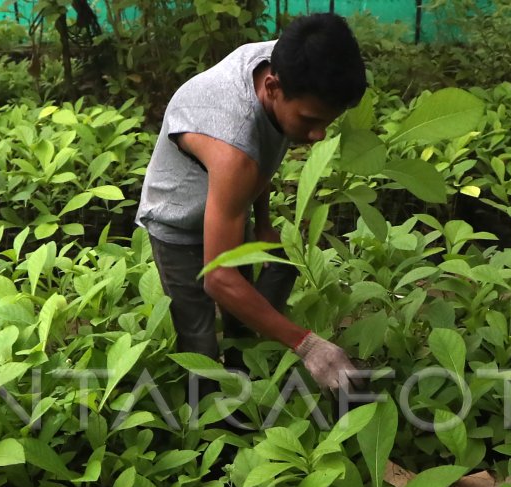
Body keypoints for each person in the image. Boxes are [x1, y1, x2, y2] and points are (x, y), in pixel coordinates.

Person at [136, 13, 366, 395]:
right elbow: (218, 277)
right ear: (272, 87)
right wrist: (308, 346)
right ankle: (210, 425)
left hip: (229, 204)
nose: (319, 134)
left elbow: (263, 149)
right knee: (200, 339)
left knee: (249, 313)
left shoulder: (280, 62)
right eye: (310, 120)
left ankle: (248, 385)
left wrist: (262, 223)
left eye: (328, 122)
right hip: (176, 220)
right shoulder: (232, 149)